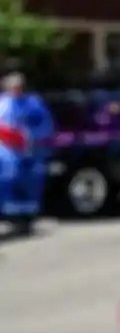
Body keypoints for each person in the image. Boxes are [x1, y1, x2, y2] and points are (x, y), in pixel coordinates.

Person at [0, 72, 55, 235]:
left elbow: (45, 126)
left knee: (26, 186)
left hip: (27, 153)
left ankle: (25, 220)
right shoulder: (2, 102)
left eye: (18, 86)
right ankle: (9, 215)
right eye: (12, 86)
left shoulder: (33, 103)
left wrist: (27, 136)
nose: (15, 89)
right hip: (4, 152)